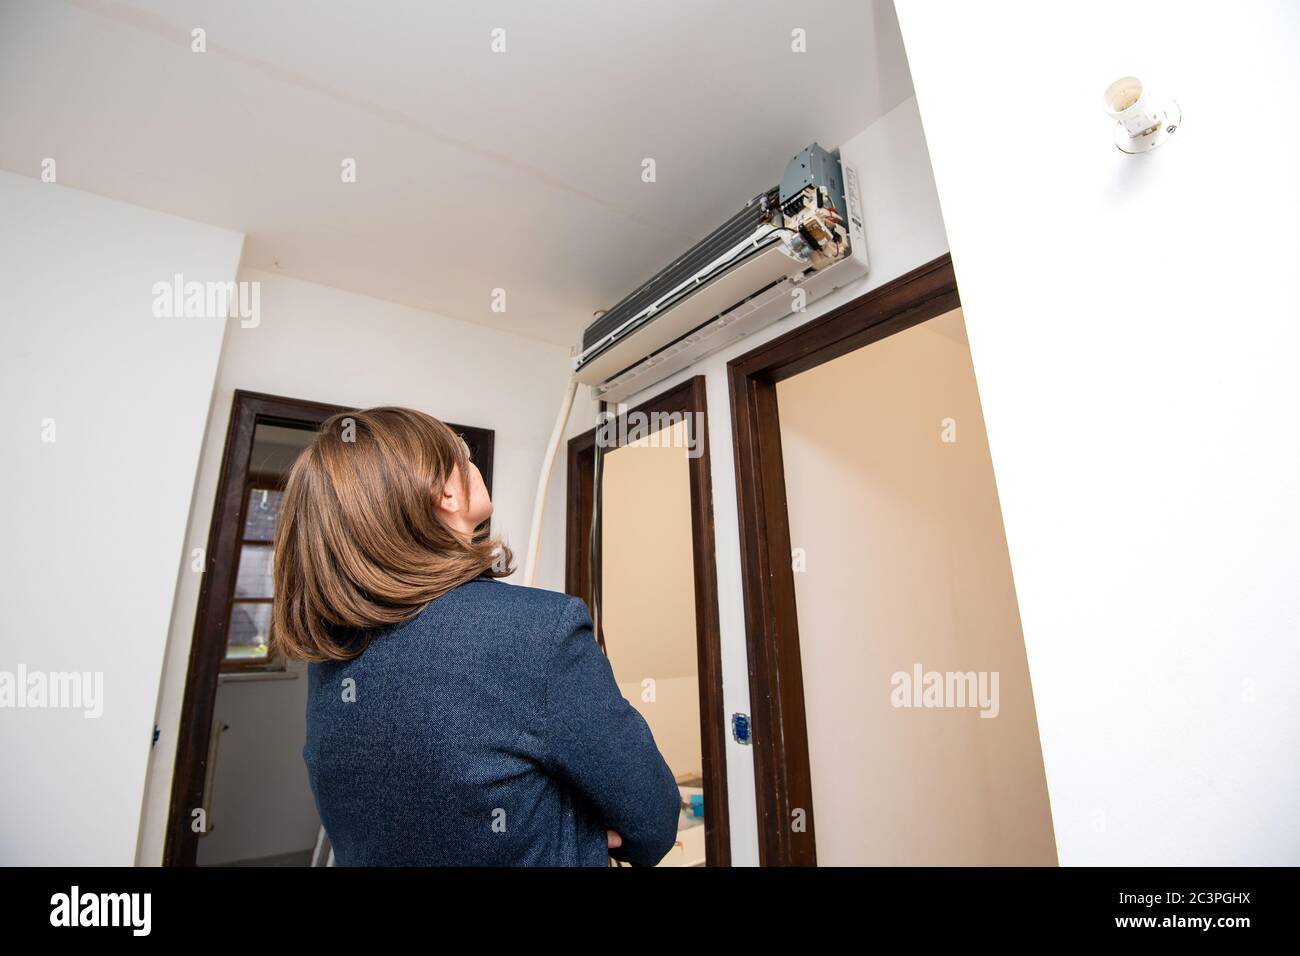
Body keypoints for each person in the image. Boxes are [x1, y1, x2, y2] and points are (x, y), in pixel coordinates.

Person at [270, 406, 681, 866]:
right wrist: (576, 833)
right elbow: (652, 822)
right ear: (445, 493)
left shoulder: (331, 651)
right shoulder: (537, 631)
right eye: (464, 457)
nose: (473, 467)